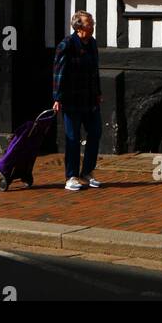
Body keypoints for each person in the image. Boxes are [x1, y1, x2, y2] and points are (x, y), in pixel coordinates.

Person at [52, 10, 102, 191]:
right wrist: (57, 97)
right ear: (79, 27)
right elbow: (59, 72)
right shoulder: (67, 44)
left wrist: (98, 92)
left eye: (92, 22)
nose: (93, 25)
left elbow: (95, 70)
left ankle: (87, 172)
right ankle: (71, 176)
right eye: (89, 23)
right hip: (72, 99)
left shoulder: (92, 44)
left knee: (95, 133)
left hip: (89, 98)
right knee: (72, 138)